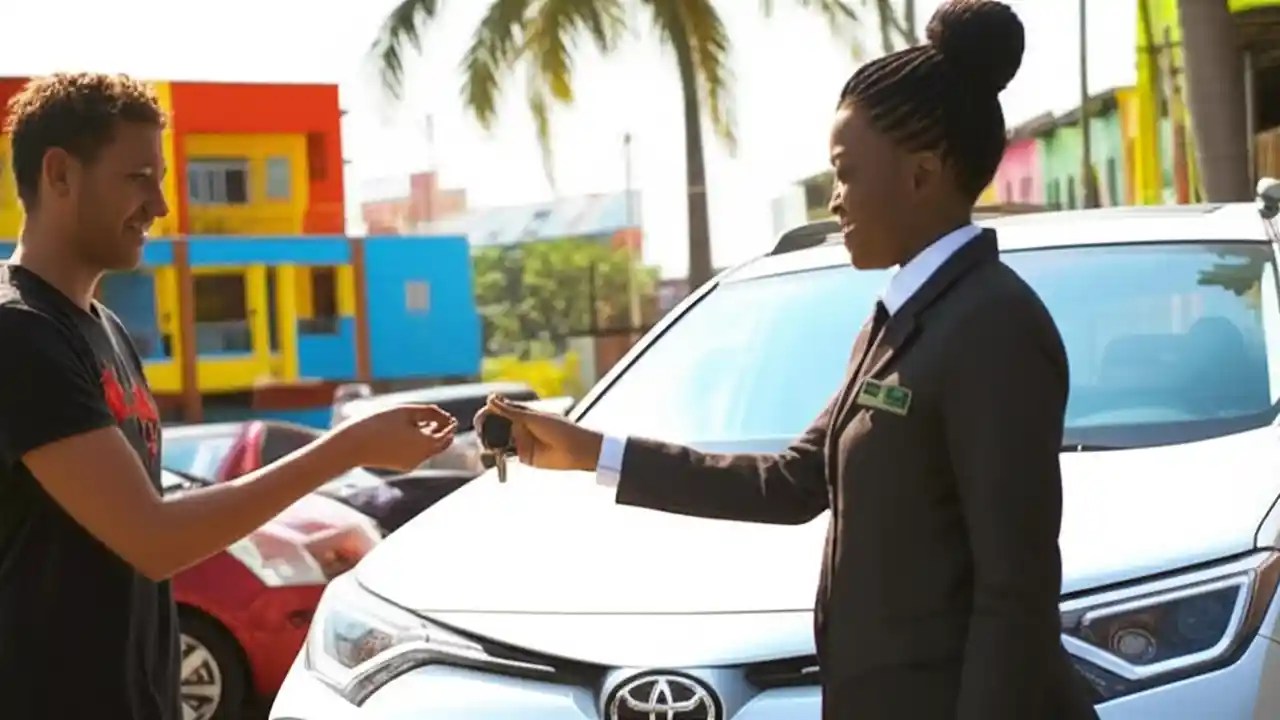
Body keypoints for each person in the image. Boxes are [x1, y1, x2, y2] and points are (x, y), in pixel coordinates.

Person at [478, 2, 1100, 718]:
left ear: (922, 175)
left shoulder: (993, 326)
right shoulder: (899, 321)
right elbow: (790, 483)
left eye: (845, 173)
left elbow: (1014, 587)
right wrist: (591, 451)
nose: (834, 201)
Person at [0, 73, 457, 719]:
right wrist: (345, 450)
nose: (159, 205)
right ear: (60, 174)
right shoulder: (19, 333)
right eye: (138, 177)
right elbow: (152, 538)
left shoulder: (103, 329)